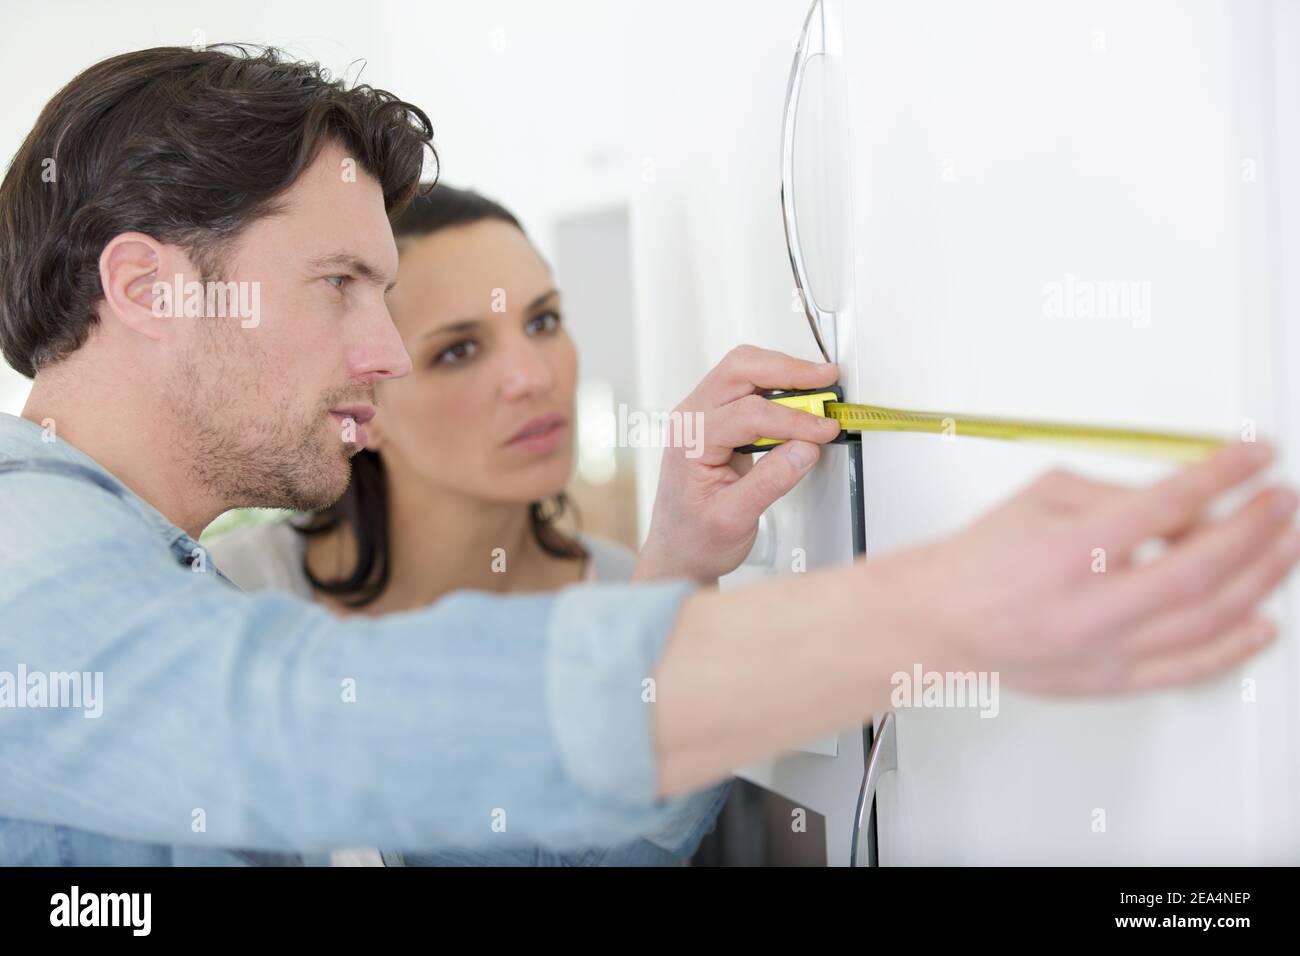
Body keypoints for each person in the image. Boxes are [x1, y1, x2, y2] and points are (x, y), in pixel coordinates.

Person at [0, 45, 1294, 867]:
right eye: (340, 283)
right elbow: (297, 728)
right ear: (151, 288)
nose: (381, 355)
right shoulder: (25, 559)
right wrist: (933, 609)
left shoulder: (146, 571)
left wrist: (676, 566)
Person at [206, 184, 729, 865]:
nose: (532, 376)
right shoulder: (229, 600)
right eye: (459, 351)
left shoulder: (638, 600)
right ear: (364, 398)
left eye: (542, 322)